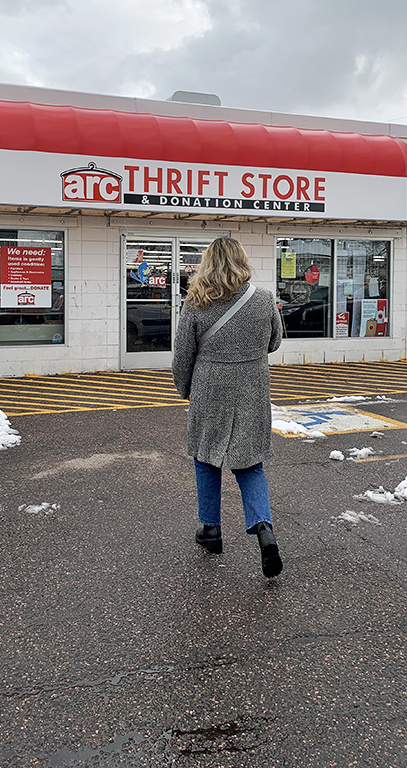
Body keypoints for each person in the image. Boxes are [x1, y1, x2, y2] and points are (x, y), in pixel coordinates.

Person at [172, 237, 284, 578]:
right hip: (252, 386)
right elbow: (275, 342)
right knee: (250, 464)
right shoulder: (263, 298)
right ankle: (263, 529)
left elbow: (182, 355)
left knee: (207, 459)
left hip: (210, 388)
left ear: (207, 264)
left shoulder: (196, 302)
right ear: (241, 261)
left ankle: (212, 530)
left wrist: (184, 388)